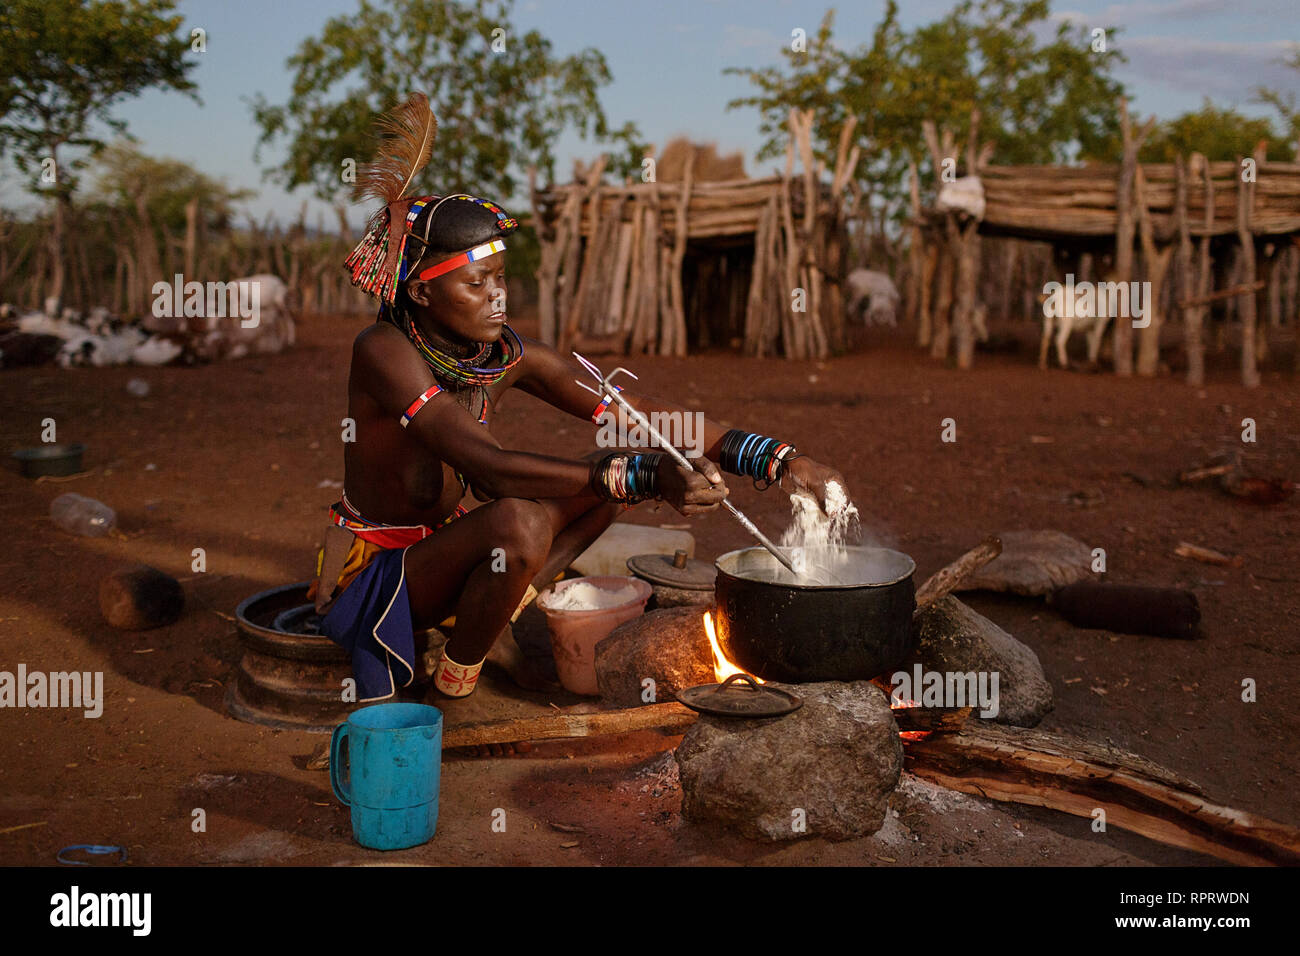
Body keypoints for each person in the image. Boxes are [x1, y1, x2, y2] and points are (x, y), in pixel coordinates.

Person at [310, 102, 847, 712]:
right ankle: (455, 689)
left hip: (453, 546)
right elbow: (488, 467)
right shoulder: (384, 350)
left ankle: (491, 621)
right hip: (384, 572)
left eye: (502, 279)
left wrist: (777, 459)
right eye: (476, 285)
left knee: (619, 464)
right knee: (523, 518)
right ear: (421, 292)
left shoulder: (504, 354)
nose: (498, 298)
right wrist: (642, 475)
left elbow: (636, 411)